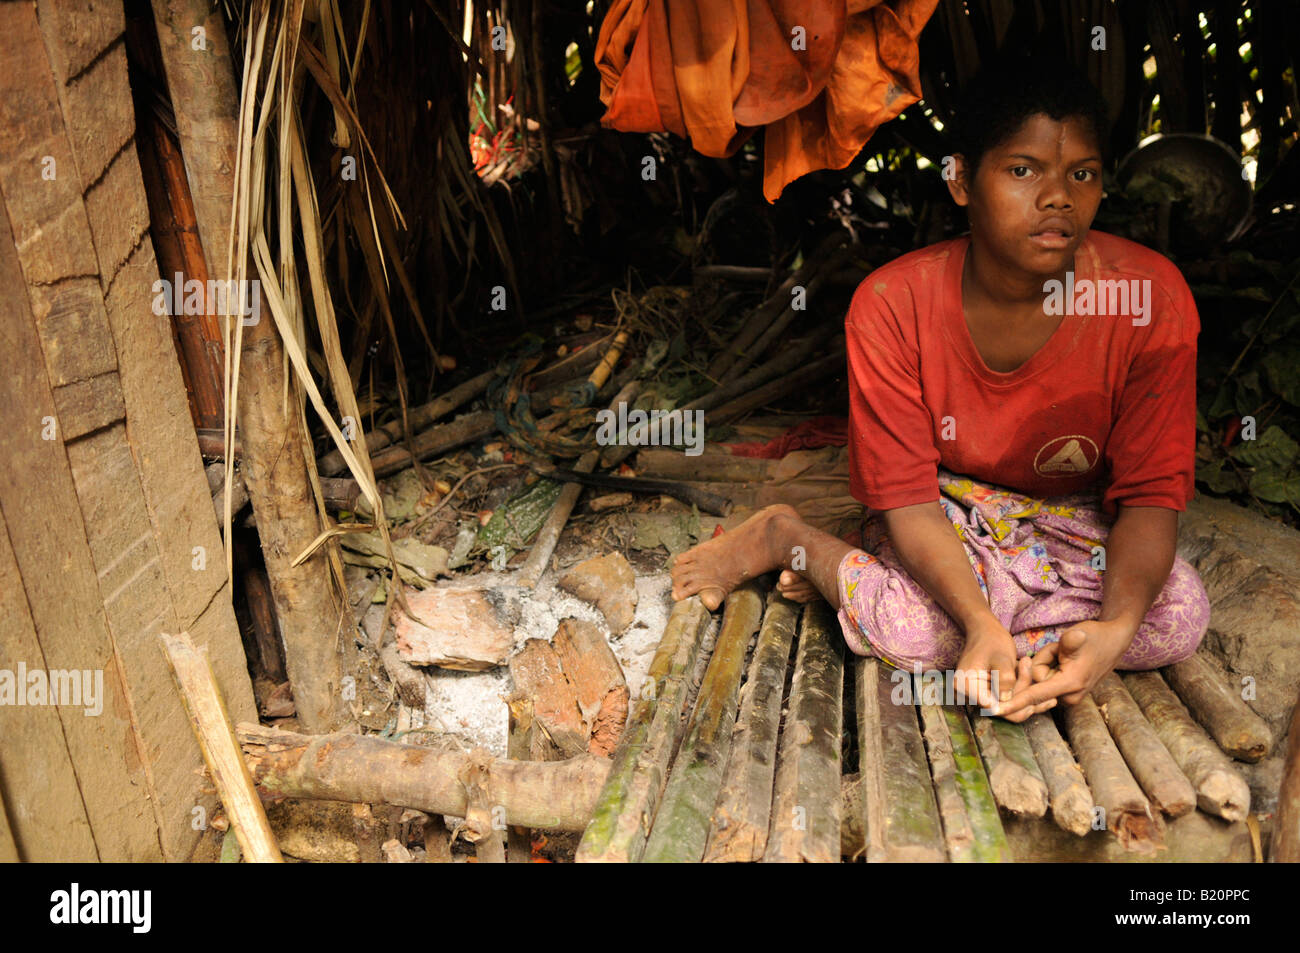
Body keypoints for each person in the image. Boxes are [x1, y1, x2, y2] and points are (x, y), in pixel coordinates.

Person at [669, 54, 1210, 722]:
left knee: (1177, 617)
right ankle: (786, 538)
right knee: (915, 630)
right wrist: (981, 622)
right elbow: (911, 501)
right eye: (1022, 170)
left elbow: (1151, 499)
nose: (1058, 198)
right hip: (947, 507)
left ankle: (873, 591)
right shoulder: (892, 305)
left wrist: (1114, 631)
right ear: (959, 180)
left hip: (1073, 517)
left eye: (1082, 175)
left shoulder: (1148, 300)